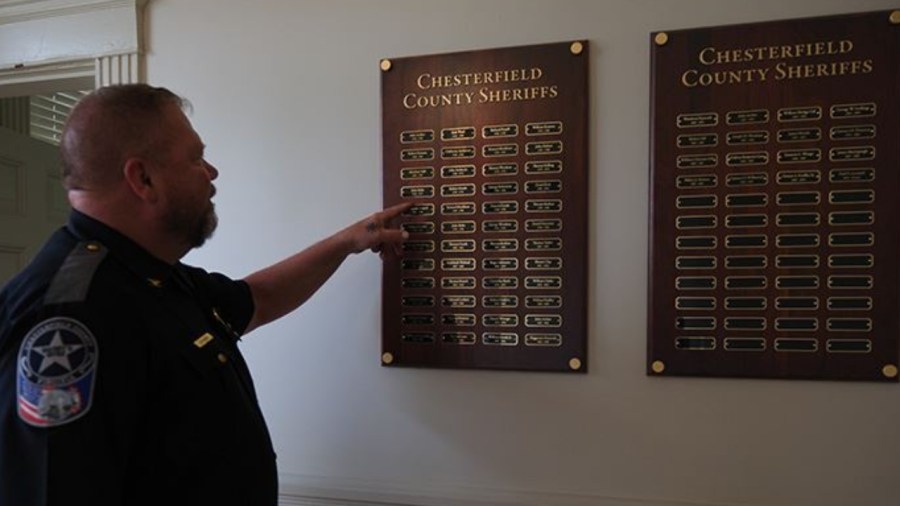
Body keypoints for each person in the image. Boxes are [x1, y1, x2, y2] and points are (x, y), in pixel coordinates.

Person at [0, 84, 409, 505]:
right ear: (143, 178)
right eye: (195, 158)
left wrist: (349, 240)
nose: (211, 172)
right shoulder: (70, 317)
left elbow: (259, 299)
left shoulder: (152, 276)